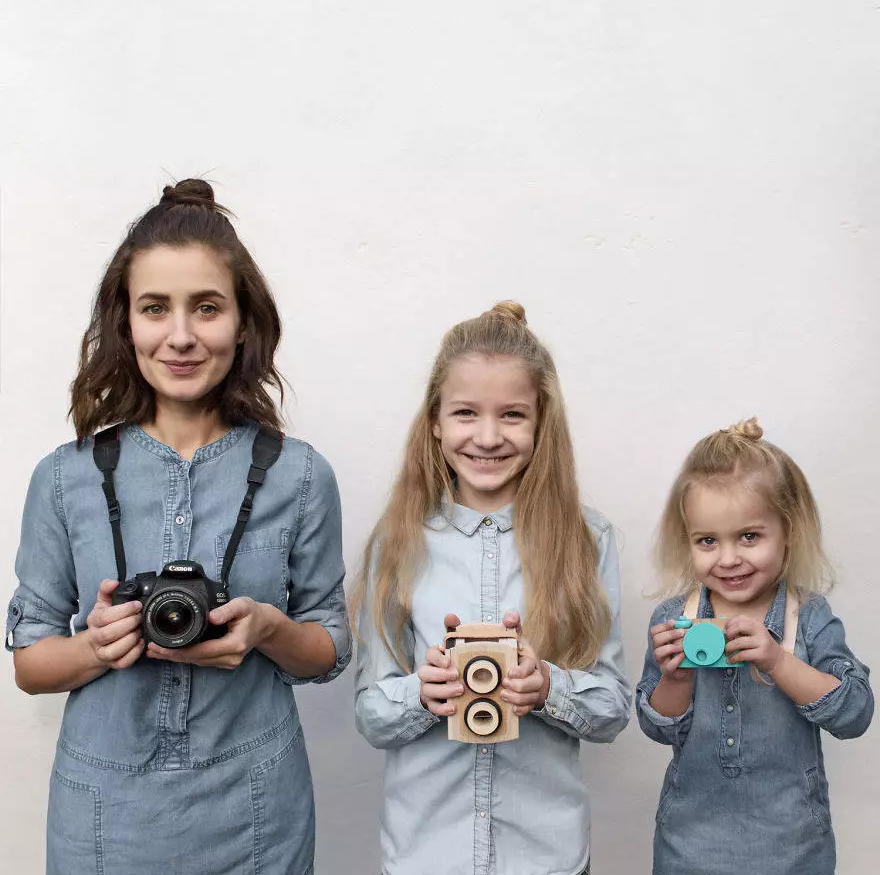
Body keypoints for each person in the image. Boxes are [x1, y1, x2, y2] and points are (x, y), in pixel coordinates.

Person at [5, 179, 350, 874]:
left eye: (208, 308)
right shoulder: (65, 477)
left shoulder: (300, 476)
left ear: (243, 322)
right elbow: (28, 664)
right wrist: (99, 646)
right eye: (156, 308)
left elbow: (330, 648)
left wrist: (268, 630)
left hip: (257, 810)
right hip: (104, 815)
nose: (182, 336)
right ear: (126, 322)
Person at [351, 301, 631, 875]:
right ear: (434, 420)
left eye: (511, 415)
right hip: (426, 856)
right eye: (464, 413)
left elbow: (612, 708)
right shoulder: (398, 542)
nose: (487, 436)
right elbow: (372, 714)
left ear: (540, 424)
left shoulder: (587, 540)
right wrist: (424, 693)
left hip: (545, 857)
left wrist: (546, 685)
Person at [636, 418, 874, 875]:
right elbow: (659, 730)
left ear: (788, 531)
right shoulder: (674, 618)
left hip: (795, 850)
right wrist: (674, 679)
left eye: (749, 536)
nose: (728, 559)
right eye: (707, 541)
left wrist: (776, 659)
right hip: (688, 849)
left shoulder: (808, 617)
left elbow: (855, 713)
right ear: (686, 542)